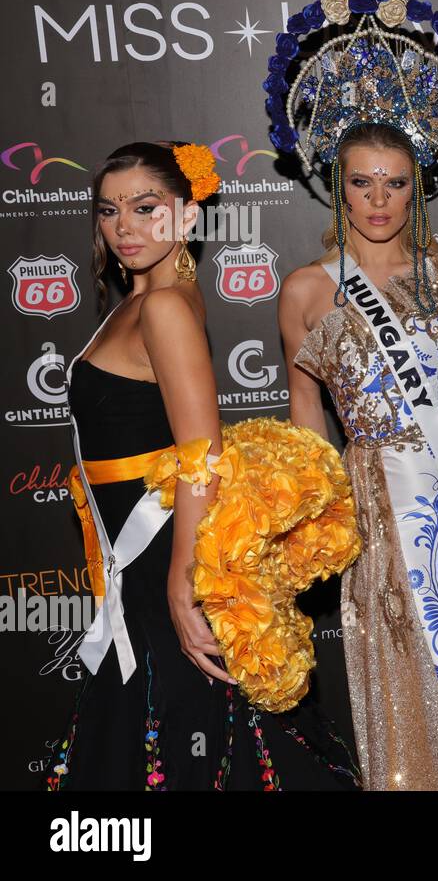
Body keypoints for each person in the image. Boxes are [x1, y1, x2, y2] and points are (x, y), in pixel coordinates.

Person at [272, 0, 438, 790]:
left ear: (417, 184)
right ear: (335, 183)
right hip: (380, 508)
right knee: (406, 690)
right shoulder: (308, 290)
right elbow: (306, 416)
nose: (378, 199)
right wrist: (323, 522)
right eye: (361, 181)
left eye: (395, 181)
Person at [47, 141, 358, 790]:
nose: (125, 225)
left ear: (188, 217)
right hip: (134, 560)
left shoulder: (164, 306)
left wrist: (183, 577)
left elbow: (200, 452)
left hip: (163, 553)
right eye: (109, 210)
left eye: (146, 207)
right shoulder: (144, 303)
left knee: (190, 732)